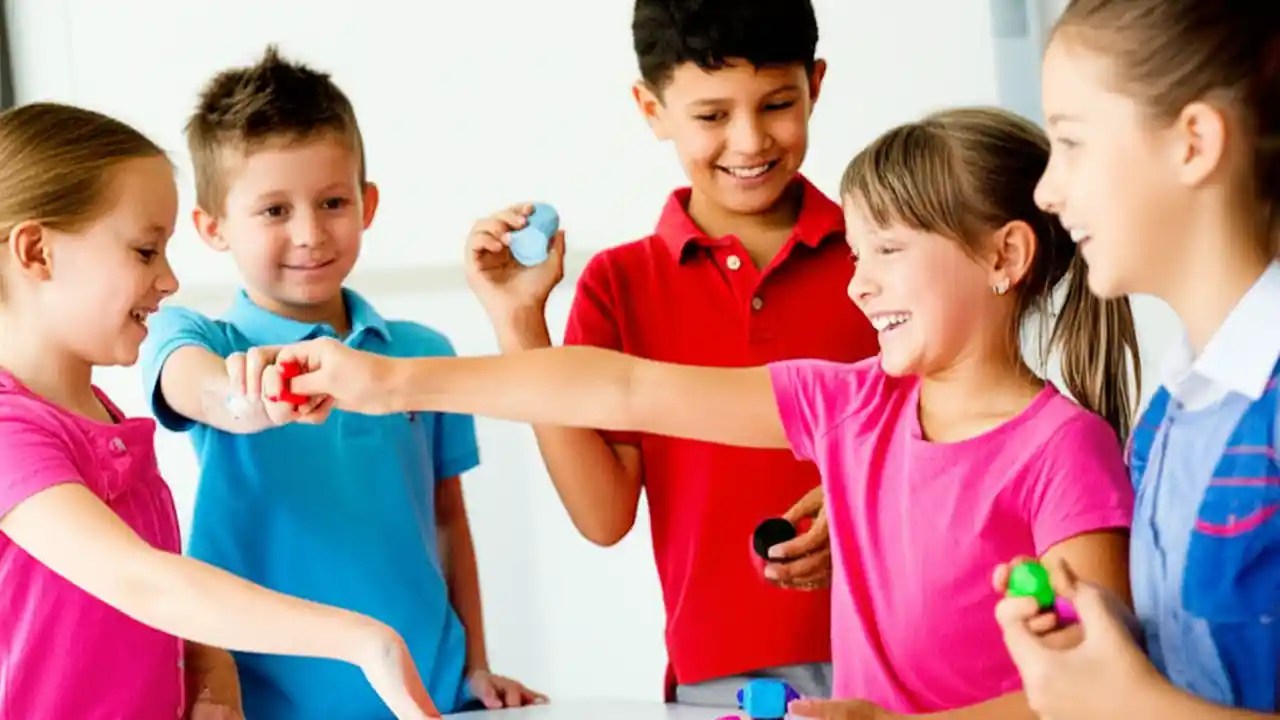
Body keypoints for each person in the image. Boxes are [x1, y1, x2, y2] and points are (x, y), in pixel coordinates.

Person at [274, 106, 1139, 718]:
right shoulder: (850, 403)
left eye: (887, 250)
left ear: (1006, 256)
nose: (859, 280)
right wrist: (389, 385)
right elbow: (621, 388)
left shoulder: (1065, 454)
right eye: (858, 250)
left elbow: (1095, 691)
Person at [462, 0, 880, 704]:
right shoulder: (620, 285)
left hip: (901, 660)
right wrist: (520, 324)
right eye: (712, 116)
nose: (749, 142)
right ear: (651, 109)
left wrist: (869, 515)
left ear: (816, 84)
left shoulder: (883, 257)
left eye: (777, 103)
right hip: (719, 684)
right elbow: (603, 516)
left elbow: (954, 440)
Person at [0, 101, 438, 720]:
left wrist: (210, 677)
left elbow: (165, 588)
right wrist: (361, 640)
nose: (169, 279)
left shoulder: (101, 416)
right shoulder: (9, 434)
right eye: (146, 251)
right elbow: (143, 582)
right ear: (37, 252)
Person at [138, 46, 541, 718]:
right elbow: (196, 387)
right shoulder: (199, 338)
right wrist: (247, 399)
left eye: (331, 202)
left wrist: (475, 665)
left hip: (428, 696)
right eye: (273, 211)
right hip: (266, 702)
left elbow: (448, 521)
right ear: (211, 227)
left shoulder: (421, 354)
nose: (310, 234)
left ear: (367, 202)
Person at [992, 1, 1280, 717]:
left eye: (1071, 141)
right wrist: (1106, 640)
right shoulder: (1167, 421)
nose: (1045, 190)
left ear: (1193, 143)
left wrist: (1129, 705)